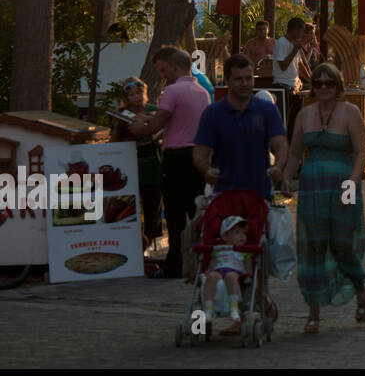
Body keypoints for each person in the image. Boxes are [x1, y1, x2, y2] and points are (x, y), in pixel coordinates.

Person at [280, 61, 365, 333]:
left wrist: (352, 185)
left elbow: (360, 153)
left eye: (328, 83)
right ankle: (313, 311)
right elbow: (295, 152)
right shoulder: (304, 115)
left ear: (338, 86)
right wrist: (286, 175)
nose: (322, 88)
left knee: (343, 244)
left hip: (343, 188)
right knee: (313, 246)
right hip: (313, 190)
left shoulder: (350, 112)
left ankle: (360, 287)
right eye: (317, 83)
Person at [129, 46, 211, 279]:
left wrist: (138, 127)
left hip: (176, 158)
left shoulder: (172, 91)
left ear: (174, 65)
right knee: (195, 210)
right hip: (197, 155)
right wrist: (150, 119)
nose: (162, 74)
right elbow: (172, 118)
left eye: (163, 69)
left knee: (174, 215)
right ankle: (201, 261)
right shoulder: (201, 91)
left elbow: (156, 125)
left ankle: (174, 265)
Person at [194, 54, 290, 199]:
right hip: (223, 194)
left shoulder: (267, 110)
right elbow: (200, 153)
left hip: (260, 194)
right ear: (226, 80)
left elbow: (281, 144)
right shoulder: (212, 113)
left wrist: (278, 166)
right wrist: (207, 170)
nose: (245, 83)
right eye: (239, 79)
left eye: (249, 78)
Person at [111, 76, 163, 246]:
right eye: (132, 94)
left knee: (152, 209)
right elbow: (114, 142)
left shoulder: (155, 110)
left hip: (153, 166)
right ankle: (128, 245)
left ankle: (149, 244)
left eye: (139, 92)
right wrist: (119, 124)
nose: (136, 96)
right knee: (126, 209)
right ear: (126, 97)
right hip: (128, 167)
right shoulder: (122, 114)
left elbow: (164, 135)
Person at [203, 215, 253, 335]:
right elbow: (212, 263)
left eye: (244, 233)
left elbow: (248, 267)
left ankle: (234, 308)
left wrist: (249, 274)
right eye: (237, 232)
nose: (242, 236)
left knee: (230, 277)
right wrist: (209, 270)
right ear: (225, 236)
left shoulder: (244, 251)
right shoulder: (219, 249)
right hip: (218, 270)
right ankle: (209, 309)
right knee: (211, 277)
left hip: (235, 272)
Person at [273, 17, 310, 131]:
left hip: (295, 86)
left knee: (294, 122)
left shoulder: (295, 44)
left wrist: (311, 79)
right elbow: (283, 66)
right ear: (294, 30)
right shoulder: (281, 43)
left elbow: (299, 66)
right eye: (301, 31)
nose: (302, 34)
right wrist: (294, 49)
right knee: (286, 121)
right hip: (283, 86)